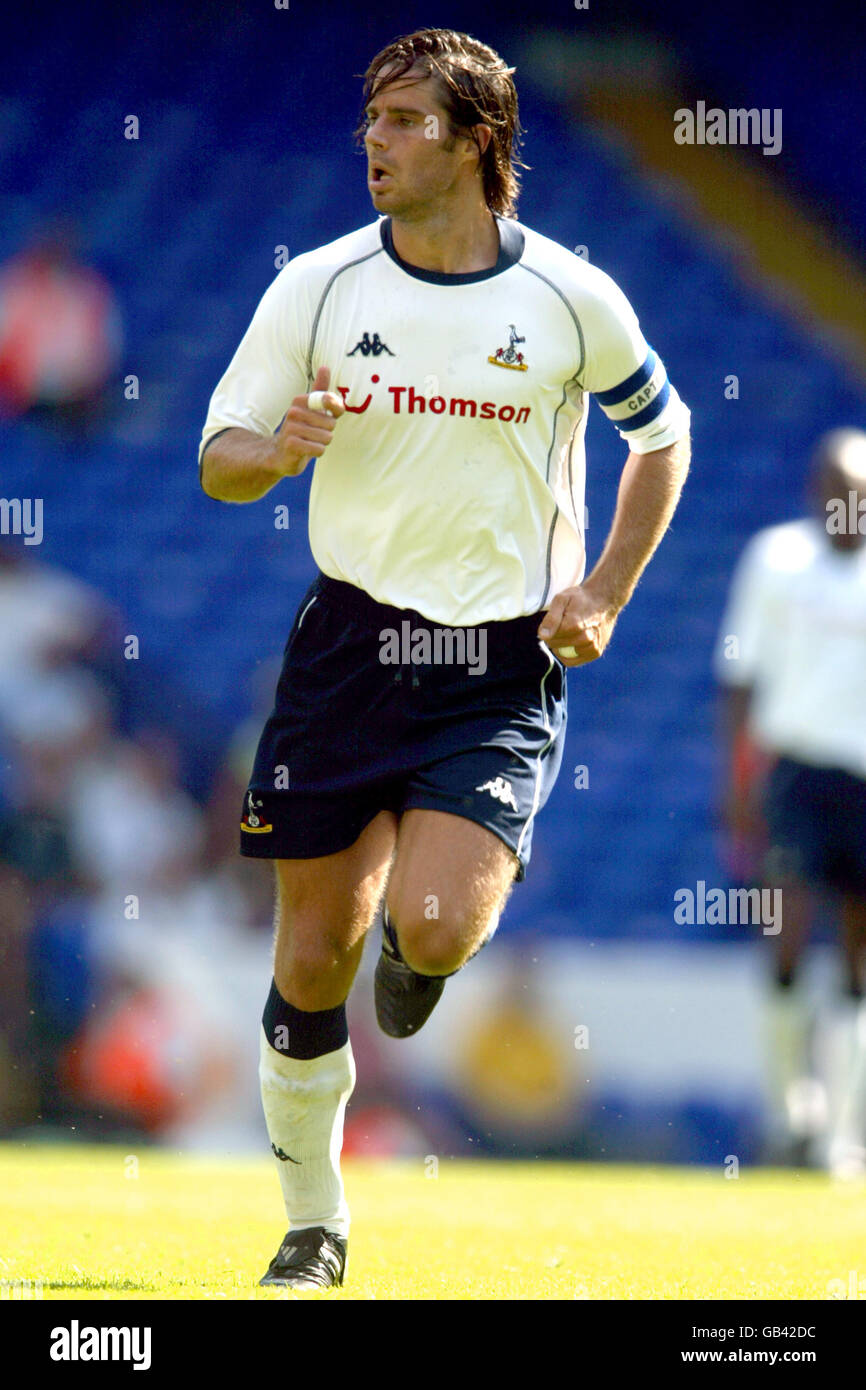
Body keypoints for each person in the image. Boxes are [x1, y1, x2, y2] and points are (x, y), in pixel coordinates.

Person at [198, 28, 691, 1290]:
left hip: (495, 666)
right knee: (309, 960)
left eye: (408, 120)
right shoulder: (314, 286)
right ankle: (314, 1227)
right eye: (371, 117)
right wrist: (280, 447)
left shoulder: (572, 299)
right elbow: (218, 458)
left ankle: (419, 961)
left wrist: (608, 591)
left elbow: (663, 439)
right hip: (349, 650)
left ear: (479, 143)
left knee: (430, 923)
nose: (375, 140)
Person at [715, 428, 866, 1175]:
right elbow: (740, 677)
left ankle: (842, 1134)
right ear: (816, 492)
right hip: (795, 775)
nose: (849, 505)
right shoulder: (776, 559)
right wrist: (736, 786)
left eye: (860, 494)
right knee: (786, 938)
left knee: (858, 964)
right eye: (839, 489)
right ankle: (787, 1115)